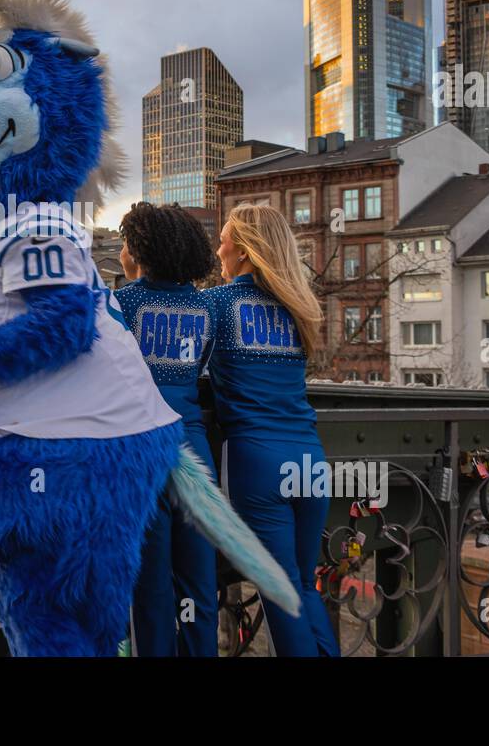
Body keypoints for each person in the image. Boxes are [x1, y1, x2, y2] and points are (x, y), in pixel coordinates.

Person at [202, 203, 340, 657]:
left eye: (223, 240)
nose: (217, 248)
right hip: (310, 460)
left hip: (257, 463)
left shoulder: (217, 306)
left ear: (241, 251)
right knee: (304, 586)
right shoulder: (298, 307)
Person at [114, 202, 219, 657]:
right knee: (199, 581)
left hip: (142, 452)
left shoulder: (121, 303)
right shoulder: (205, 308)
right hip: (194, 449)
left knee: (151, 586)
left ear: (138, 252)